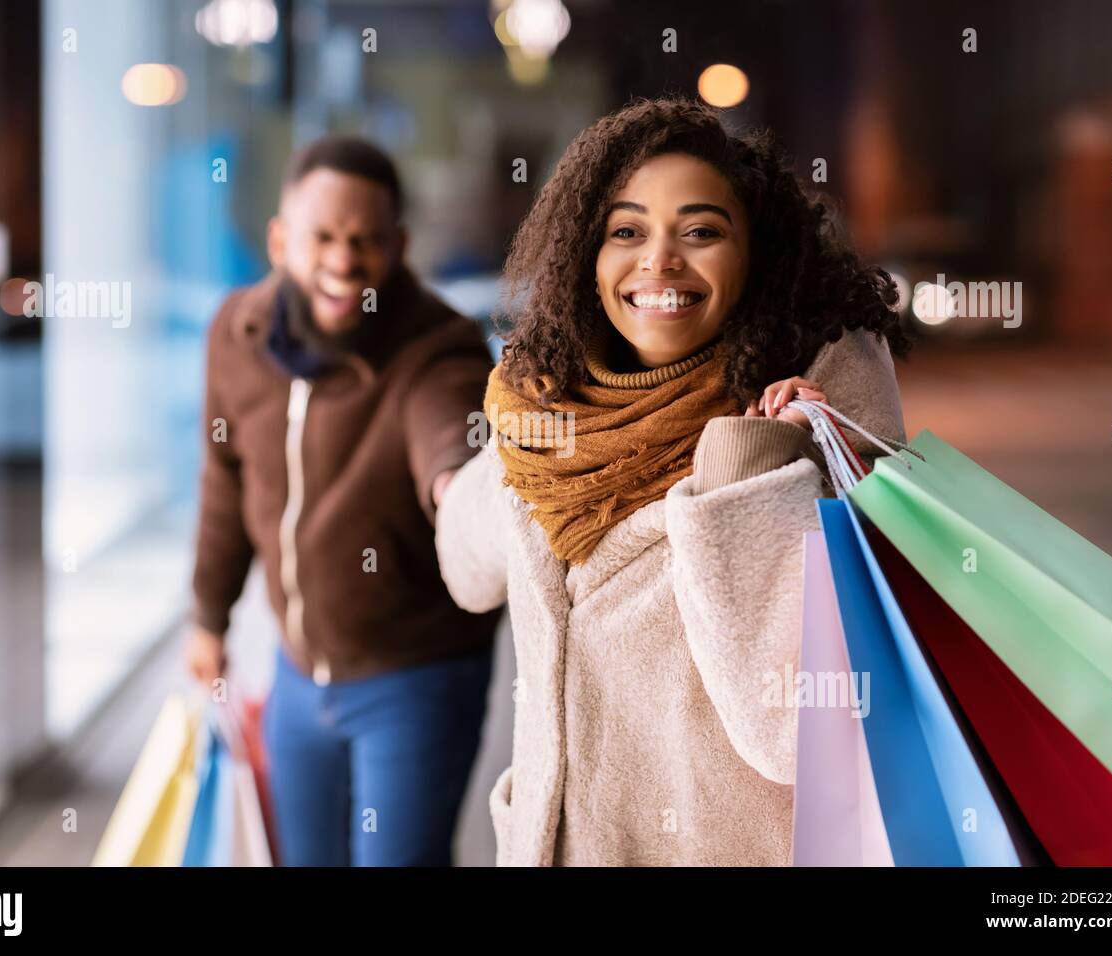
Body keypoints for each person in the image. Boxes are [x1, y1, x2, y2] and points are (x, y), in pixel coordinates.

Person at [434, 97, 912, 866]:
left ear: (753, 252)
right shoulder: (545, 414)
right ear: (586, 255)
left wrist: (746, 471)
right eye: (626, 231)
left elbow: (796, 727)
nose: (659, 261)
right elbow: (467, 564)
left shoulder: (814, 404)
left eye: (701, 231)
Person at [186, 135, 502, 866]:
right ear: (279, 239)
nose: (341, 260)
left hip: (416, 679)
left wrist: (460, 490)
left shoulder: (439, 346)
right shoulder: (237, 334)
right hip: (296, 674)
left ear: (398, 246)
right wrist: (208, 616)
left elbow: (450, 435)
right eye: (322, 236)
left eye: (364, 241)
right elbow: (224, 480)